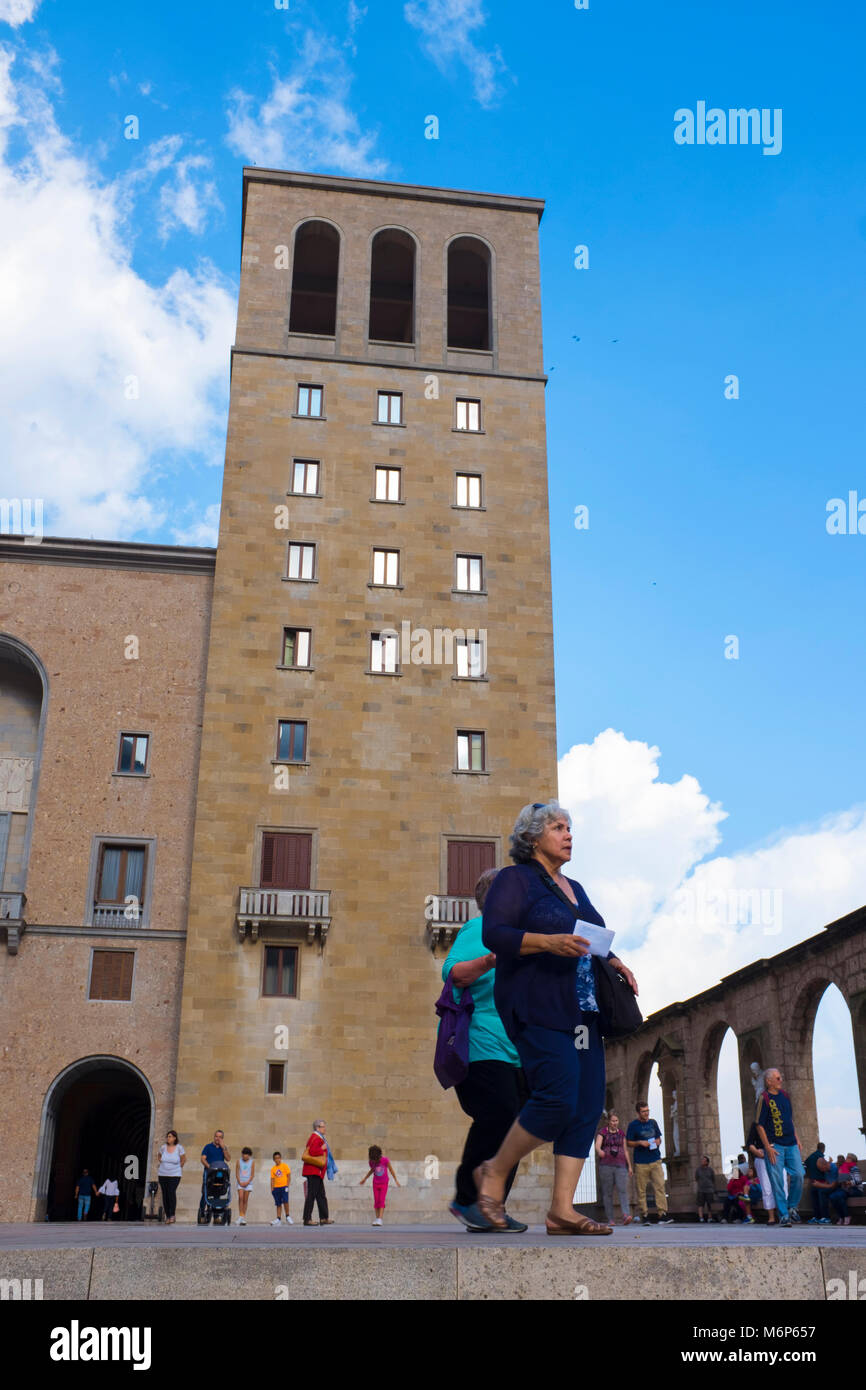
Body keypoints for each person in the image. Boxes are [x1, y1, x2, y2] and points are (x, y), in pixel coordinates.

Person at [475, 800, 638, 1235]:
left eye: (569, 828)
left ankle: (561, 1210)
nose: (569, 834)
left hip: (585, 1009)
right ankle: (493, 1171)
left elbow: (594, 937)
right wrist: (548, 942)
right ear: (532, 838)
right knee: (557, 1096)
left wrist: (616, 961)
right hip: (538, 1003)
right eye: (558, 827)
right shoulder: (515, 880)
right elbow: (495, 933)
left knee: (586, 1105)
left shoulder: (575, 887)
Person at [443, 866, 528, 1232]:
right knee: (500, 1113)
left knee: (520, 1127)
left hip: (517, 1049)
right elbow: (453, 974)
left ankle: (493, 1206)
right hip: (481, 1042)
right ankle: (467, 1198)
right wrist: (494, 958)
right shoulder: (478, 930)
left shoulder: (523, 937)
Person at [754, 1067, 804, 1228]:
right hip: (775, 1146)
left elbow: (789, 1119)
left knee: (799, 1174)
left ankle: (792, 1207)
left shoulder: (785, 1096)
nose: (780, 1080)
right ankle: (783, 1215)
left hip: (791, 1143)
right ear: (768, 1081)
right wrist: (767, 1147)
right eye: (777, 1078)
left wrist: (797, 1138)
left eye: (780, 1077)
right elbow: (759, 1125)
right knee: (777, 1182)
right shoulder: (764, 1098)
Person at [627, 1102, 673, 1224]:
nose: (646, 1113)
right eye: (643, 1111)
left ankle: (662, 1214)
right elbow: (628, 1142)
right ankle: (645, 1214)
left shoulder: (653, 1123)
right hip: (641, 1162)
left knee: (660, 1186)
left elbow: (659, 1138)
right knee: (641, 1189)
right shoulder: (633, 1125)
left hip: (655, 1159)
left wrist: (658, 1142)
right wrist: (639, 1143)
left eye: (647, 1111)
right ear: (638, 1113)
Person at [595, 1111, 633, 1225]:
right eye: (613, 1121)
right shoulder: (602, 1132)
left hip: (620, 1165)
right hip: (606, 1165)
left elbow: (625, 1150)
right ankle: (610, 1219)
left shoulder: (621, 1133)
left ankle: (626, 1215)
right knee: (608, 1193)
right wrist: (599, 1151)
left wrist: (629, 1166)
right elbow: (597, 1145)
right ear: (608, 1121)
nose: (615, 1123)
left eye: (616, 1121)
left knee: (623, 1190)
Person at [302, 1120, 333, 1226]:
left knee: (321, 1195)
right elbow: (312, 1152)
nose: (325, 1128)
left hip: (316, 1171)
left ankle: (324, 1217)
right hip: (313, 1171)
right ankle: (307, 1219)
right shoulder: (315, 1137)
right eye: (323, 1126)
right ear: (317, 1128)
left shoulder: (317, 1137)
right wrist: (322, 1149)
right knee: (311, 1195)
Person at [360, 1145, 401, 1225]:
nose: (376, 1161)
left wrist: (396, 1180)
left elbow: (391, 1170)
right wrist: (365, 1178)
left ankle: (380, 1219)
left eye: (377, 1159)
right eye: (374, 1160)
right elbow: (372, 1170)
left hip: (384, 1183)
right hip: (375, 1183)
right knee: (376, 1201)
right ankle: (377, 1218)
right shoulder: (371, 1162)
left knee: (381, 1200)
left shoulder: (385, 1160)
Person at [745, 1121, 776, 1224]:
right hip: (762, 1157)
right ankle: (771, 1216)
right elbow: (750, 1143)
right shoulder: (756, 1123)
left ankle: (784, 1214)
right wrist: (757, 1152)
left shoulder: (778, 1120)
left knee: (782, 1185)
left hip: (777, 1155)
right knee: (767, 1188)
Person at [199, 1129, 230, 1219]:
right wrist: (209, 1167)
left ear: (222, 1138)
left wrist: (223, 1148)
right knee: (205, 1192)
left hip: (219, 1174)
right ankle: (202, 1212)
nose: (217, 1138)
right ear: (214, 1137)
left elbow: (228, 1159)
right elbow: (203, 1159)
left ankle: (216, 1215)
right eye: (216, 1136)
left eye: (220, 1137)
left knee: (218, 1192)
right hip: (209, 1172)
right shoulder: (208, 1147)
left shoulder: (223, 1148)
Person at [156, 1130, 185, 1224]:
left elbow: (183, 1159)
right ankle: (168, 1216)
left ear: (174, 1138)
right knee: (165, 1194)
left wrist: (179, 1167)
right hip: (163, 1174)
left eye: (170, 1136)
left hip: (175, 1174)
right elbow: (159, 1156)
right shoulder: (163, 1147)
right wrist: (163, 1163)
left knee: (171, 1192)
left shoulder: (179, 1148)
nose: (168, 1138)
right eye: (167, 1136)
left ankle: (172, 1215)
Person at [804, 1141, 826, 1221]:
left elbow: (805, 1164)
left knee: (814, 1201)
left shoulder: (812, 1156)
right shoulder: (820, 1156)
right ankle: (824, 1217)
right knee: (822, 1200)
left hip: (813, 1181)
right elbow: (824, 1168)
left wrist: (810, 1174)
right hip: (821, 1181)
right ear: (823, 1149)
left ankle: (816, 1217)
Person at [270, 1152, 293, 1225]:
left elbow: (289, 1176)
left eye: (278, 1158)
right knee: (278, 1203)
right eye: (275, 1158)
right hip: (276, 1188)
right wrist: (272, 1189)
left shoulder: (285, 1166)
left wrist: (287, 1186)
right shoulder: (273, 1169)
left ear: (280, 1158)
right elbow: (272, 1179)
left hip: (284, 1187)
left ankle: (287, 1216)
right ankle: (278, 1218)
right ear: (274, 1160)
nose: (277, 1160)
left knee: (285, 1201)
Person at [695, 1155, 718, 1222]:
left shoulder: (710, 1170)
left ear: (707, 1162)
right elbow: (696, 1178)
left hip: (709, 1190)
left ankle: (710, 1218)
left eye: (704, 1160)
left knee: (709, 1204)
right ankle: (701, 1218)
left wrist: (713, 1188)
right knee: (700, 1204)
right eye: (702, 1160)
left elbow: (713, 1179)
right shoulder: (698, 1170)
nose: (702, 1161)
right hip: (701, 1190)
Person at [236, 1147, 255, 1226]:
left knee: (245, 1200)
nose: (244, 1156)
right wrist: (239, 1182)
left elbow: (252, 1174)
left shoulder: (252, 1162)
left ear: (249, 1155)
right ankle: (240, 1215)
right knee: (240, 1197)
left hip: (248, 1183)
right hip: (240, 1182)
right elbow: (237, 1173)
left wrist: (247, 1182)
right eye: (243, 1154)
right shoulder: (238, 1161)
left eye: (246, 1154)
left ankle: (243, 1217)